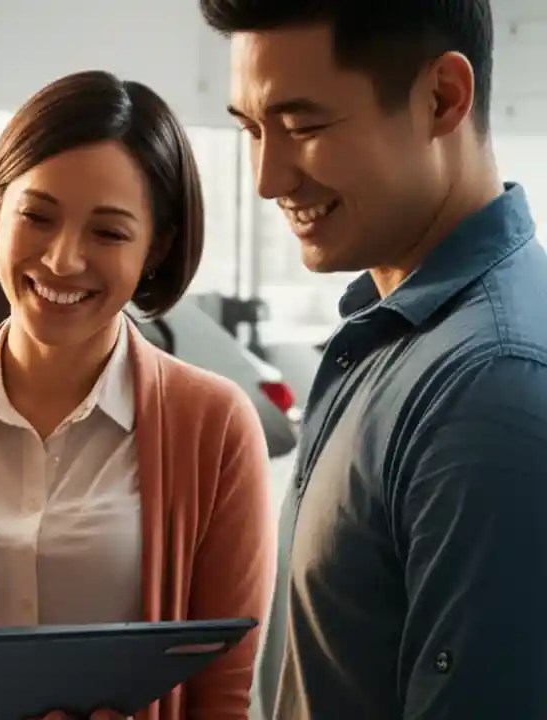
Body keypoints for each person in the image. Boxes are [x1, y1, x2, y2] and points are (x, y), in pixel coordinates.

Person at [0, 70, 276, 720]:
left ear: (157, 247)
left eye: (109, 233)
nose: (63, 260)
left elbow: (221, 695)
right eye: (37, 216)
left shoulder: (215, 425)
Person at [200, 0, 547, 718]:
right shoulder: (395, 332)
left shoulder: (489, 386)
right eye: (251, 129)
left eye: (303, 127)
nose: (267, 178)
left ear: (442, 99)